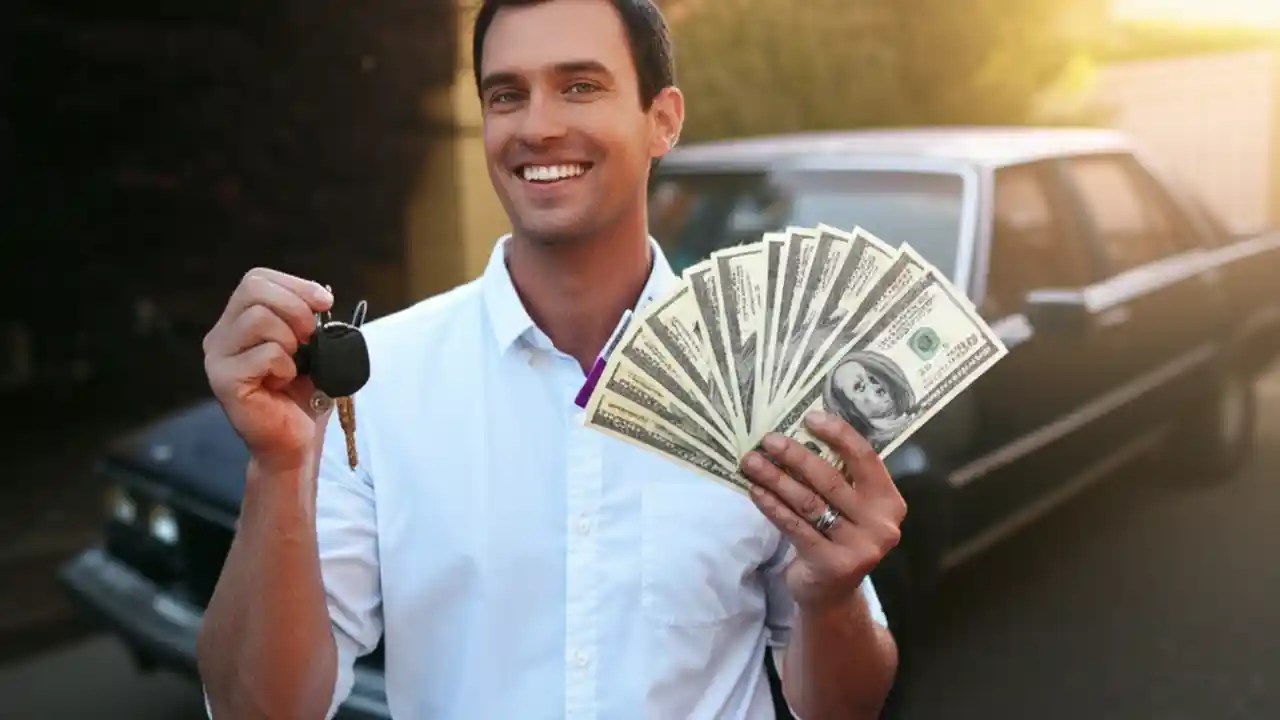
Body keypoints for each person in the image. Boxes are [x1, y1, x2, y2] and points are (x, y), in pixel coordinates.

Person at [195, 1, 907, 718]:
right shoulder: (378, 382)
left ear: (663, 118)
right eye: (507, 94)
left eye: (580, 86)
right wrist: (278, 470)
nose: (537, 127)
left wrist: (834, 598)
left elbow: (842, 710)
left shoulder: (769, 385)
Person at [822, 351, 918, 454]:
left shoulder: (918, 412)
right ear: (850, 409)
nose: (878, 387)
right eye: (860, 387)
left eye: (872, 378)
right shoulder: (871, 452)